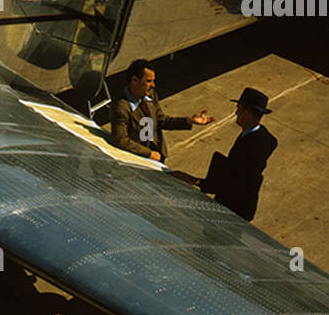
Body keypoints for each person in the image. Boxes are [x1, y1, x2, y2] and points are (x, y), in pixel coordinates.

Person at [177, 88, 278, 222]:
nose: (236, 112)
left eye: (239, 109)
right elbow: (274, 142)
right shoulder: (263, 135)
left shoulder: (252, 148)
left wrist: (194, 180)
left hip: (233, 209)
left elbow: (236, 182)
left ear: (247, 113)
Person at [111, 59, 213, 163]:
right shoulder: (121, 108)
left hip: (158, 154)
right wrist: (148, 153)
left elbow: (161, 120)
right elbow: (121, 139)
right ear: (135, 80)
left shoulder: (150, 95)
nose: (153, 85)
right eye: (148, 81)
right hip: (138, 159)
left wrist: (190, 120)